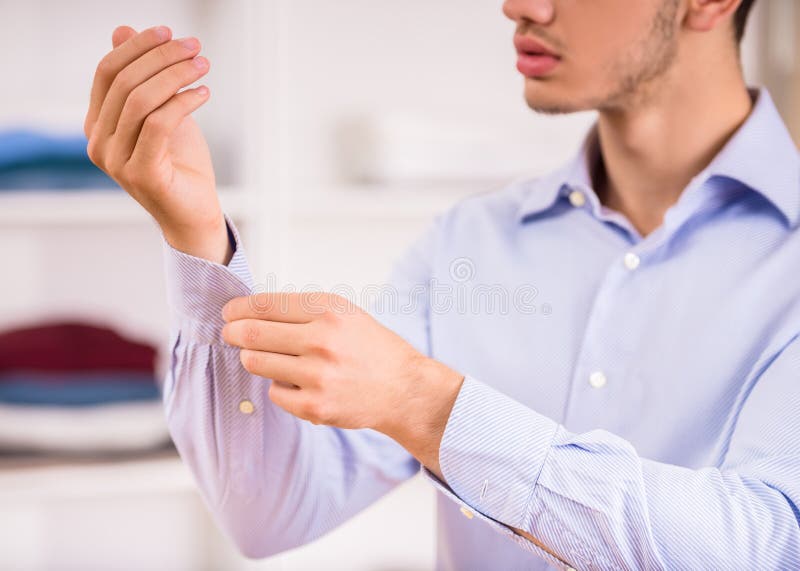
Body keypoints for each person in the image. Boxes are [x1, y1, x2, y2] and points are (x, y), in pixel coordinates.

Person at [85, 0, 800, 568]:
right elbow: (267, 511)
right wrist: (198, 235)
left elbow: (764, 545)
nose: (518, 6)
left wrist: (427, 406)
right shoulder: (470, 242)